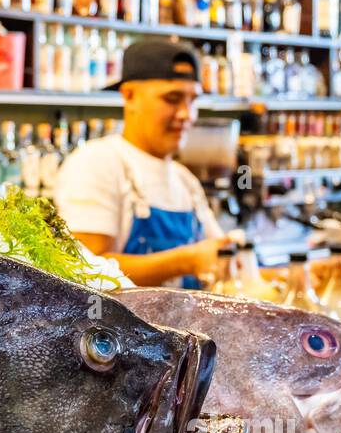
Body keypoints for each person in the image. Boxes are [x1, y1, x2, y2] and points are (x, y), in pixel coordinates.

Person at [54, 40, 229, 286]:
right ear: (129, 96)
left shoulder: (185, 180)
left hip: (184, 324)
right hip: (116, 325)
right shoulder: (97, 162)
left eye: (192, 100)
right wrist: (184, 262)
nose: (186, 115)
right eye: (172, 98)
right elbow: (84, 271)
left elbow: (219, 257)